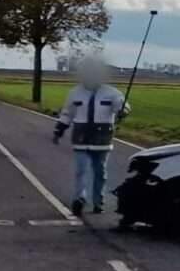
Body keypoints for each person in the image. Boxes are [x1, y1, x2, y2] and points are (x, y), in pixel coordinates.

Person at [53, 59, 129, 215]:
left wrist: (123, 111)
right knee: (81, 170)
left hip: (102, 139)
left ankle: (98, 201)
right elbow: (67, 113)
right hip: (81, 138)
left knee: (100, 172)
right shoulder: (75, 93)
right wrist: (59, 131)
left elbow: (122, 106)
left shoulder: (113, 93)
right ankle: (79, 199)